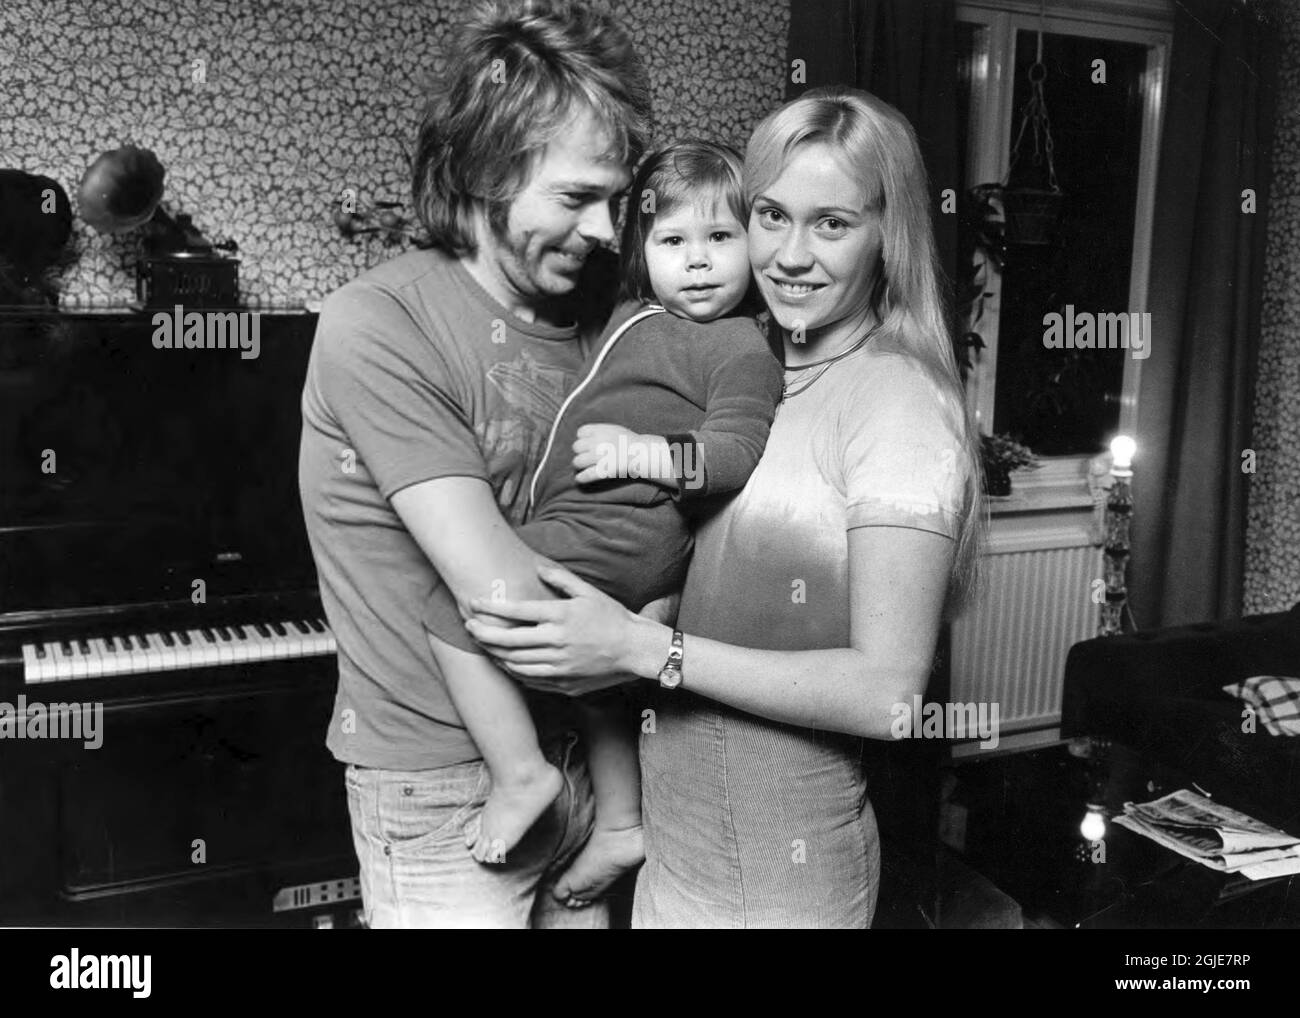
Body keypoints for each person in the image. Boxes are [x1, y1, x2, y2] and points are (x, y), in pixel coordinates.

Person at [458, 85, 986, 928]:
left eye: (833, 224)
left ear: (891, 233)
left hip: (777, 870)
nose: (790, 255)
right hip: (679, 847)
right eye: (771, 217)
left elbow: (889, 695)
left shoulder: (896, 400)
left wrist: (644, 648)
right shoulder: (754, 365)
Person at [297, 0, 652, 928]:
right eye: (577, 198)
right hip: (439, 788)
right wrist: (658, 637)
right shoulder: (379, 323)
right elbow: (507, 604)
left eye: (618, 200)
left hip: (589, 766)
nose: (610, 232)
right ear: (489, 171)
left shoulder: (601, 320)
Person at [422, 141, 784, 906]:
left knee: (446, 610)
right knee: (598, 688)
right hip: (592, 530)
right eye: (672, 240)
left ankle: (521, 775)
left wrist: (643, 454)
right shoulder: (632, 315)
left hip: (619, 536)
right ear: (640, 250)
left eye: (721, 239)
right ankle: (621, 823)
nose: (697, 261)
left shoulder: (740, 346)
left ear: (755, 242)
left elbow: (735, 453)